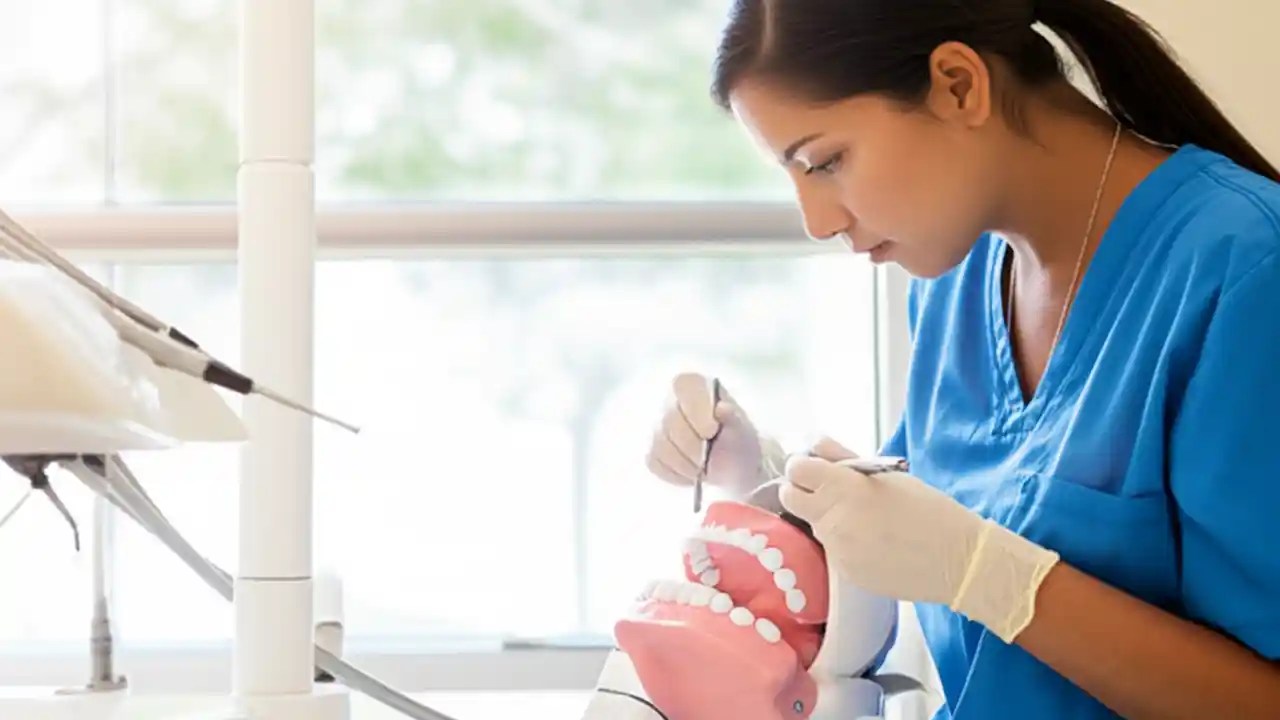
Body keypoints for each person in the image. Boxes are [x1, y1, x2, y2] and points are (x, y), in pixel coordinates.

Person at [645, 0, 1280, 718]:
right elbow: (922, 537)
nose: (817, 222)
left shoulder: (1247, 275)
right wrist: (762, 485)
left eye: (826, 162)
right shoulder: (956, 276)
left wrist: (992, 578)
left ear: (957, 84)